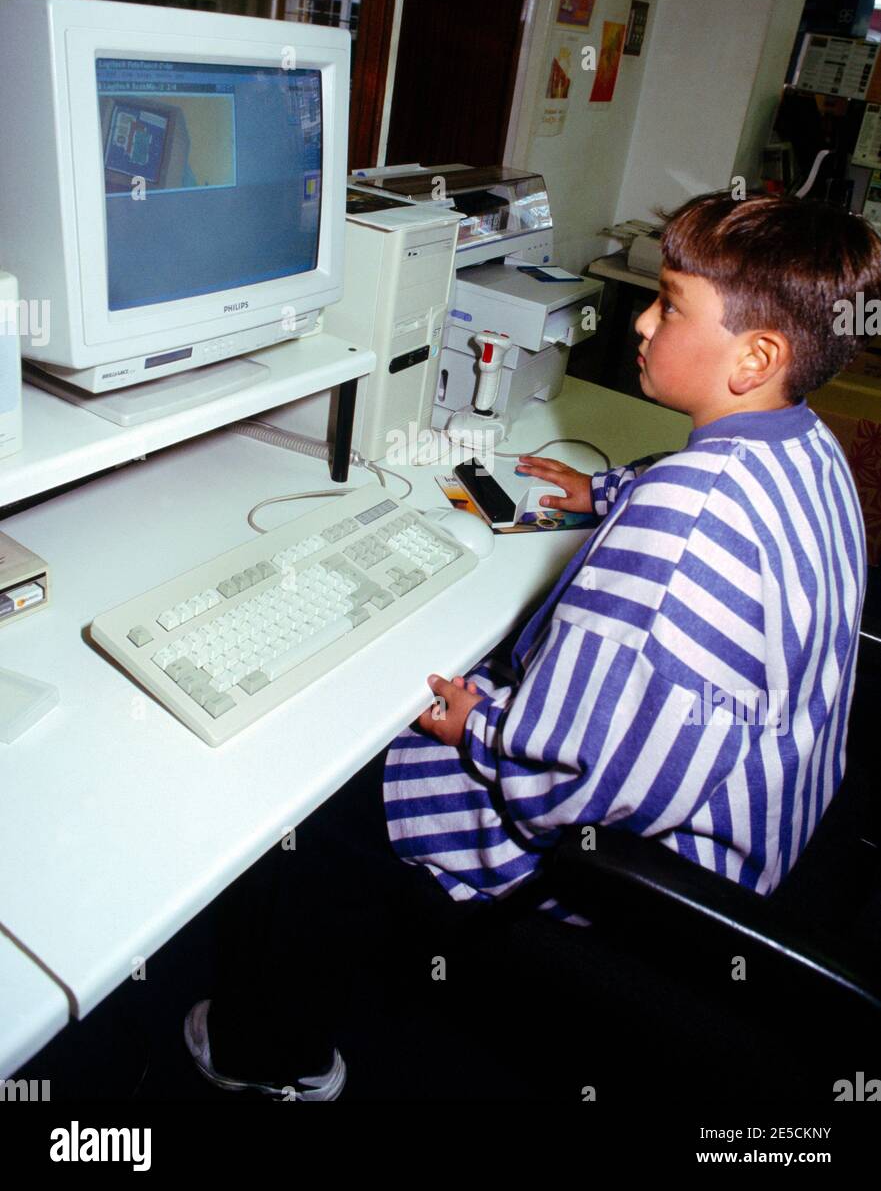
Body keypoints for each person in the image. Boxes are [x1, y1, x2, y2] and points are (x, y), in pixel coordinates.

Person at [186, 190, 881, 1099]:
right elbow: (694, 491)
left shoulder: (683, 524)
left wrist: (475, 728)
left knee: (323, 780)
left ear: (755, 355)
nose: (639, 319)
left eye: (669, 303)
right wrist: (604, 495)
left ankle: (267, 1053)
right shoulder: (808, 446)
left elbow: (567, 781)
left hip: (646, 876)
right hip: (773, 821)